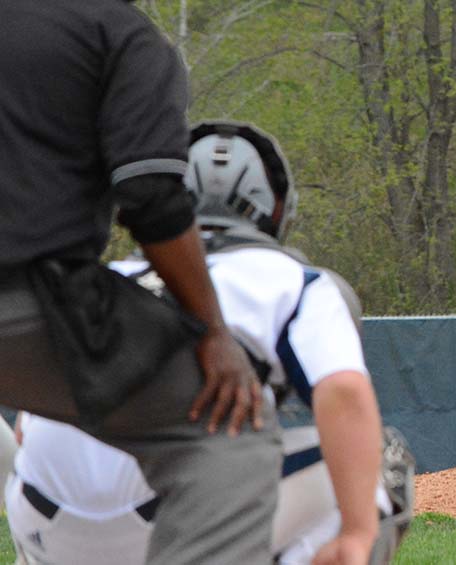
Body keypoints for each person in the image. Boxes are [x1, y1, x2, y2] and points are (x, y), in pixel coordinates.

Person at [5, 121, 415, 565]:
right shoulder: (294, 281)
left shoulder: (110, 277)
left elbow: (31, 426)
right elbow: (344, 394)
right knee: (382, 460)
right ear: (276, 212)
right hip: (179, 516)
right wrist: (357, 532)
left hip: (42, 521)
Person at [0, 3, 281, 563]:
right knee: (229, 427)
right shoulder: (117, 33)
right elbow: (150, 195)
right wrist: (211, 329)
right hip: (26, 303)